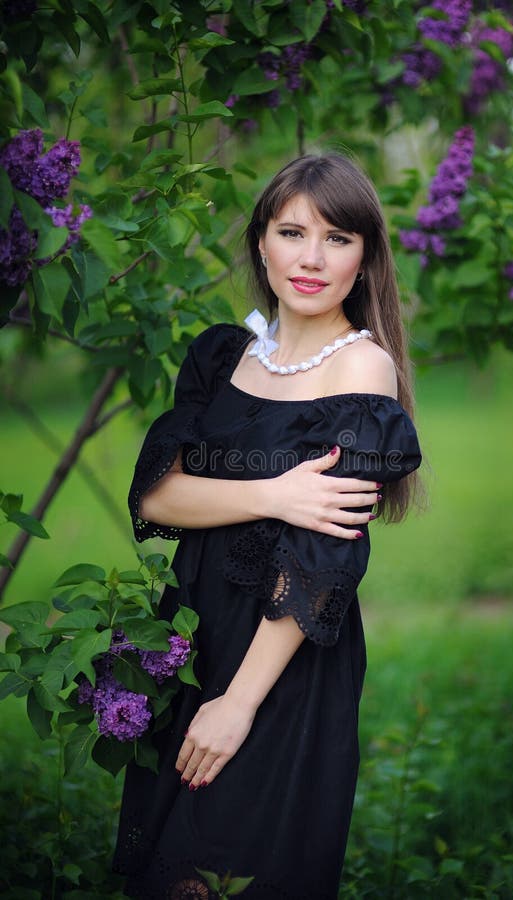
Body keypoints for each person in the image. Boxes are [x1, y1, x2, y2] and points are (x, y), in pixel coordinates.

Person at [113, 153, 423, 900]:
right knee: (161, 867)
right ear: (261, 242)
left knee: (224, 872)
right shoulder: (222, 355)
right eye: (292, 232)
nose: (311, 259)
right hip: (187, 641)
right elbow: (157, 499)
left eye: (338, 238)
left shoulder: (360, 371)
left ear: (365, 256)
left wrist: (239, 702)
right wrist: (277, 493)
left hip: (280, 656)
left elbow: (322, 558)